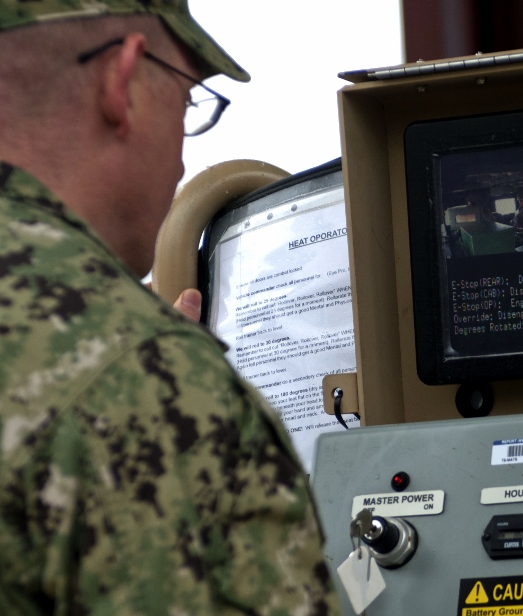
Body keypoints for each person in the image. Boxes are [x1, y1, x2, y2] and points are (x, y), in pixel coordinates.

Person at [0, 3, 341, 614]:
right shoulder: (147, 383)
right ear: (123, 81)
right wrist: (159, 378)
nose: (183, 161)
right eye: (187, 103)